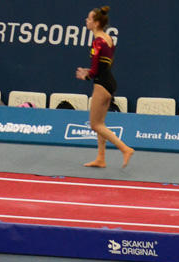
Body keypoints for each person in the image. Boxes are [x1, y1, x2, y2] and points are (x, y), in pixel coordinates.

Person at [75, 6, 134, 168]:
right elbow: (105, 64)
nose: (86, 21)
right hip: (109, 81)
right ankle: (101, 158)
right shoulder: (108, 38)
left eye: (89, 19)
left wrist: (85, 75)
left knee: (95, 124)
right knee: (101, 123)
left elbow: (95, 70)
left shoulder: (97, 42)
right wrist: (91, 72)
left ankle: (125, 148)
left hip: (101, 84)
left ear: (96, 23)